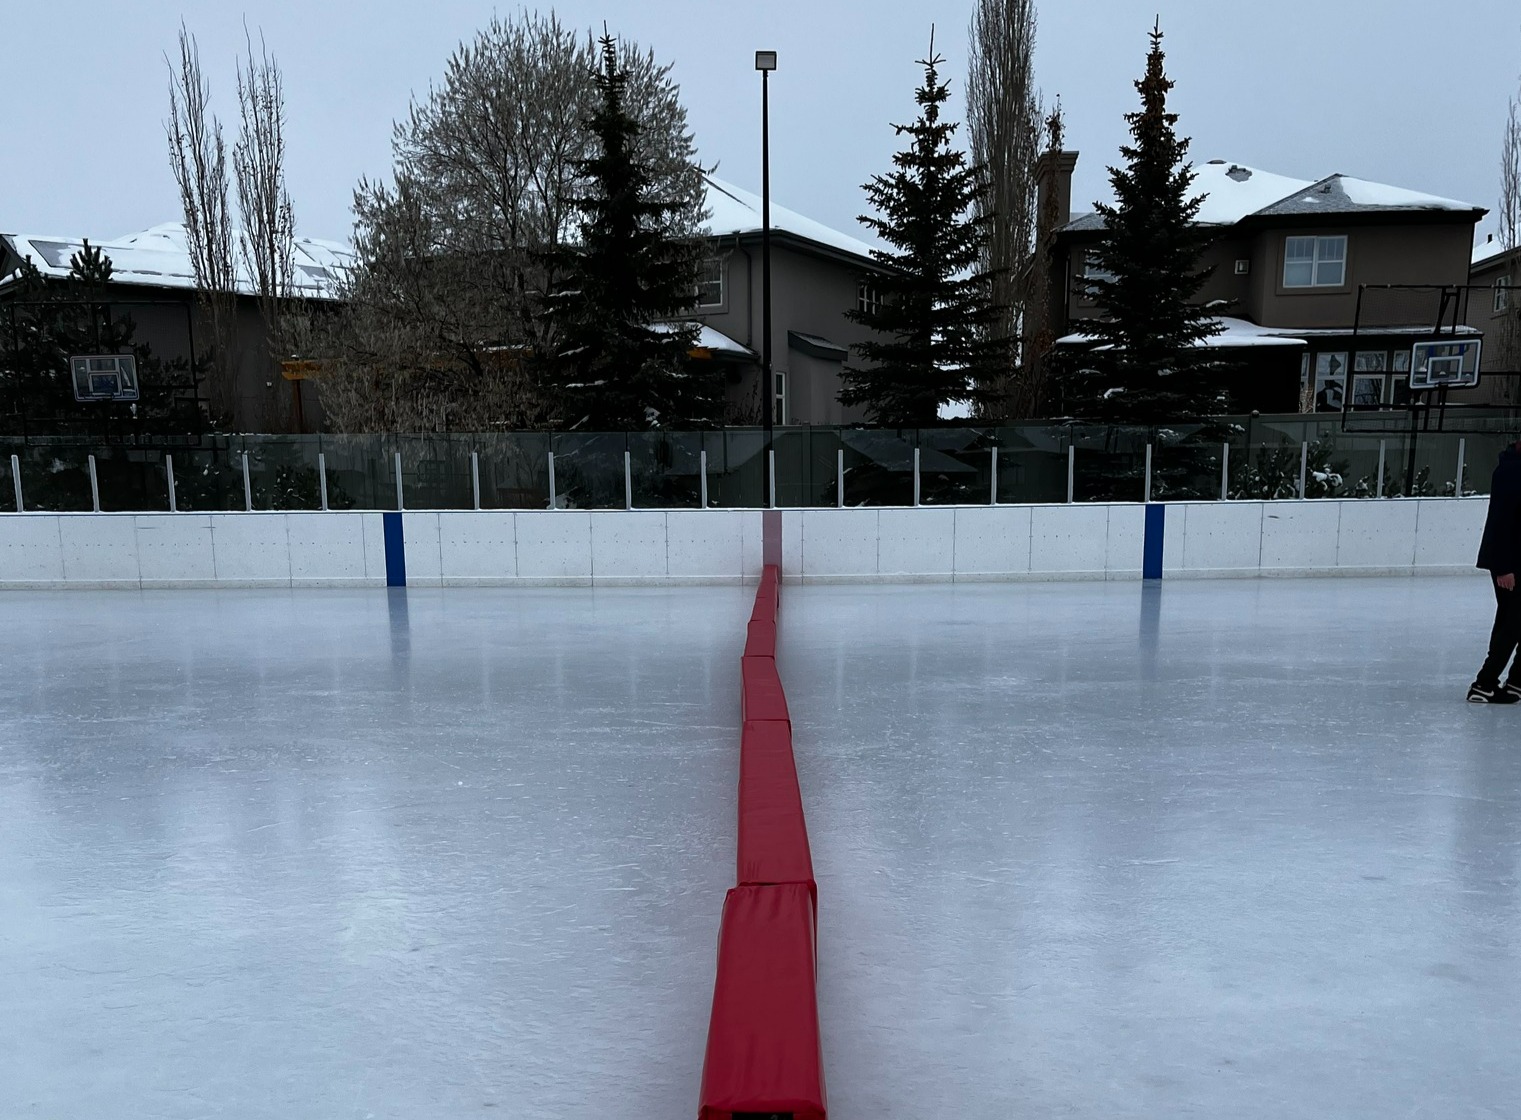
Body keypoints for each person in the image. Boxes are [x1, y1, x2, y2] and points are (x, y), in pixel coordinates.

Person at [1469, 439, 1521, 702]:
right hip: (1509, 562)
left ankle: (1516, 682)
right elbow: (1500, 520)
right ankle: (1484, 683)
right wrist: (1503, 568)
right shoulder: (1510, 470)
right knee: (1511, 624)